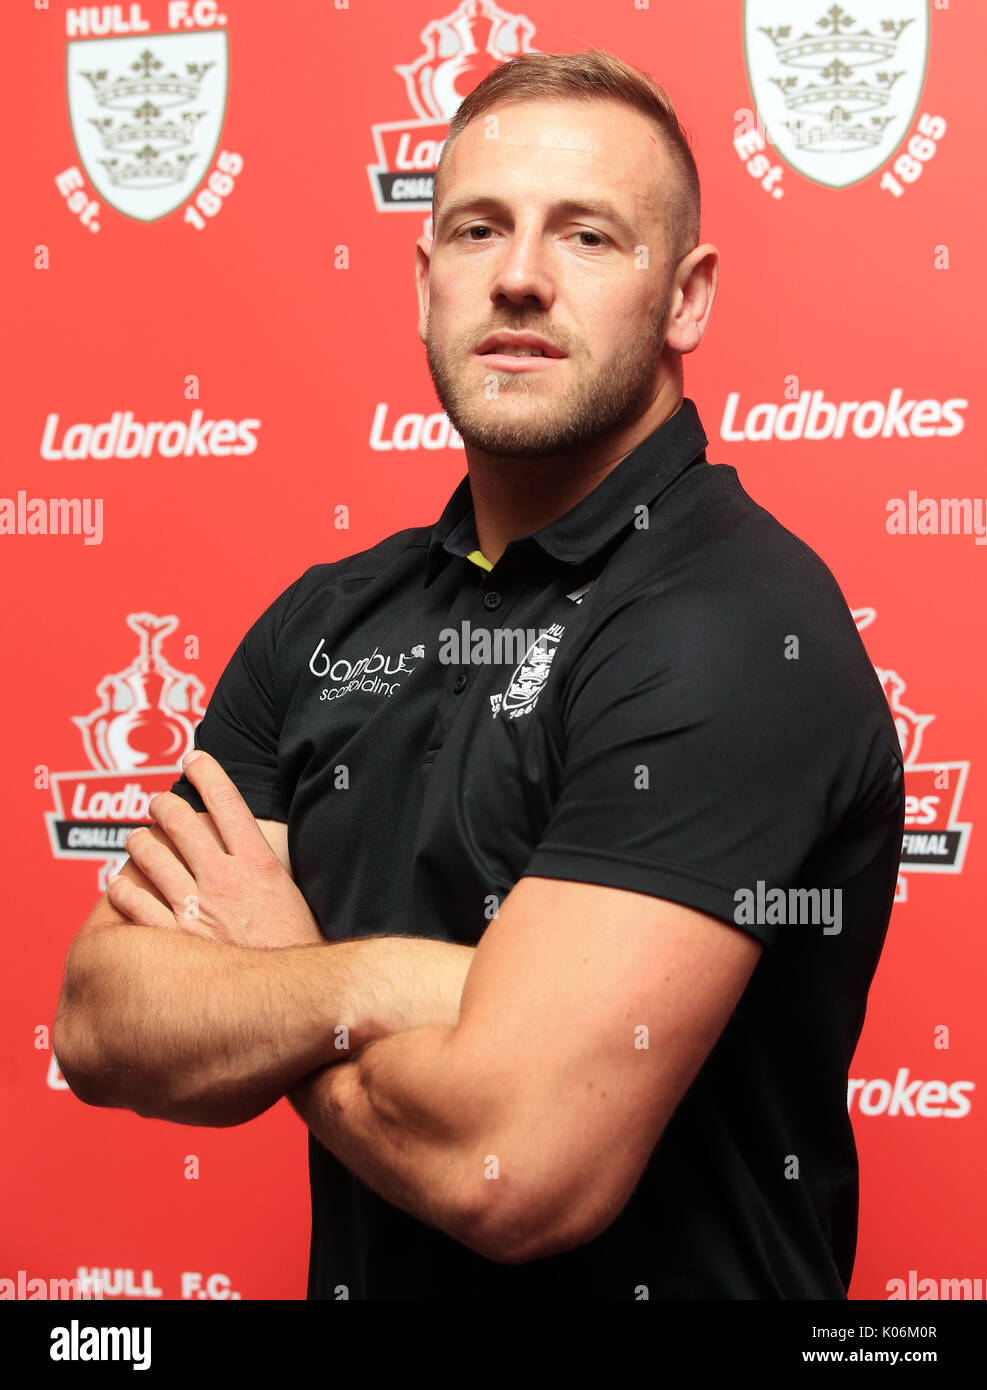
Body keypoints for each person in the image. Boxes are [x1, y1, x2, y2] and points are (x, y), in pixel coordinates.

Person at [53, 49, 904, 1299]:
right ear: (424, 278)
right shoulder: (329, 619)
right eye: (477, 228)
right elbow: (100, 1017)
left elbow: (512, 1165)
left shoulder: (739, 624)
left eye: (590, 237)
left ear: (688, 297)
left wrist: (267, 972)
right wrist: (390, 980)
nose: (518, 275)